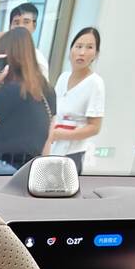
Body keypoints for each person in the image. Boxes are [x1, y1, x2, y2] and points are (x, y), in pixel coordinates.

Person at [0, 27, 56, 175]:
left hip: (2, 166)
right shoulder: (47, 89)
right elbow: (49, 137)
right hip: (29, 170)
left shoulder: (12, 90)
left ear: (8, 58)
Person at [48, 27, 105, 173]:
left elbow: (94, 127)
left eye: (89, 47)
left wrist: (60, 134)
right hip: (52, 148)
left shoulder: (95, 83)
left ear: (96, 54)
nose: (82, 52)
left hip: (71, 154)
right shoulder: (63, 77)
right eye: (78, 46)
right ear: (71, 49)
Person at [0, 2, 51, 79]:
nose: (21, 26)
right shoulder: (3, 53)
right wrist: (13, 34)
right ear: (10, 26)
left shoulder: (37, 58)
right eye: (16, 23)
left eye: (26, 22)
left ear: (34, 26)